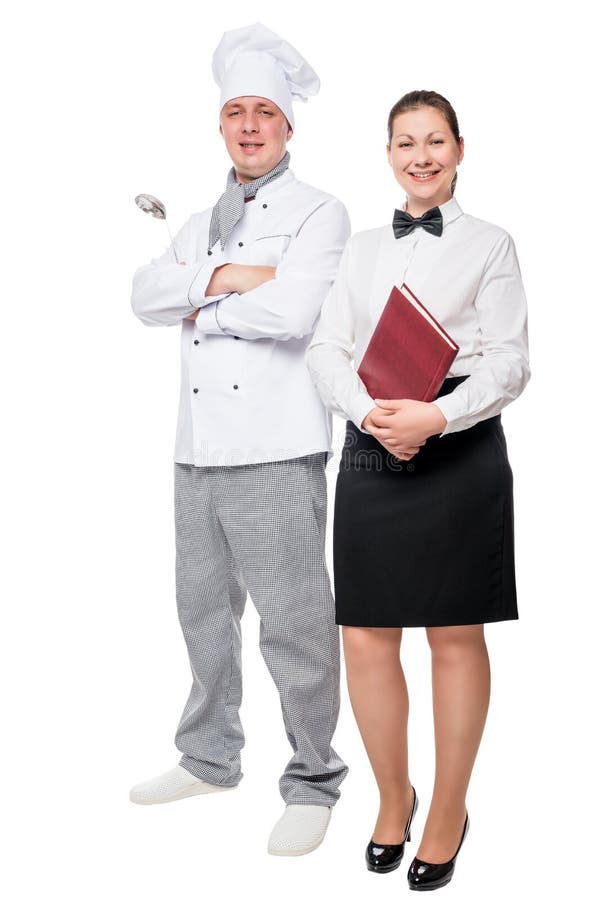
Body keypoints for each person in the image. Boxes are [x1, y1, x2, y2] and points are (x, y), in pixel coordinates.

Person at [129, 23, 350, 857]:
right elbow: (142, 296)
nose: (250, 126)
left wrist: (197, 298)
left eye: (264, 112)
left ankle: (313, 777)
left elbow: (292, 314)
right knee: (202, 616)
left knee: (293, 623)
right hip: (195, 453)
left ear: (288, 126)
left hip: (275, 449)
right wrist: (227, 277)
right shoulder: (198, 220)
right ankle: (209, 755)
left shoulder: (320, 212)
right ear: (221, 125)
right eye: (236, 113)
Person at [305, 89, 530, 889]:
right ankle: (393, 796)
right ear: (389, 154)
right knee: (364, 631)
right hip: (371, 439)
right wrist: (370, 412)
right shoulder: (360, 249)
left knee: (452, 633)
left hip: (457, 444)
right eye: (406, 142)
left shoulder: (492, 244)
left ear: (459, 150)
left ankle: (449, 808)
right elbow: (328, 346)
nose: (421, 156)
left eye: (435, 141)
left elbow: (509, 361)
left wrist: (435, 416)